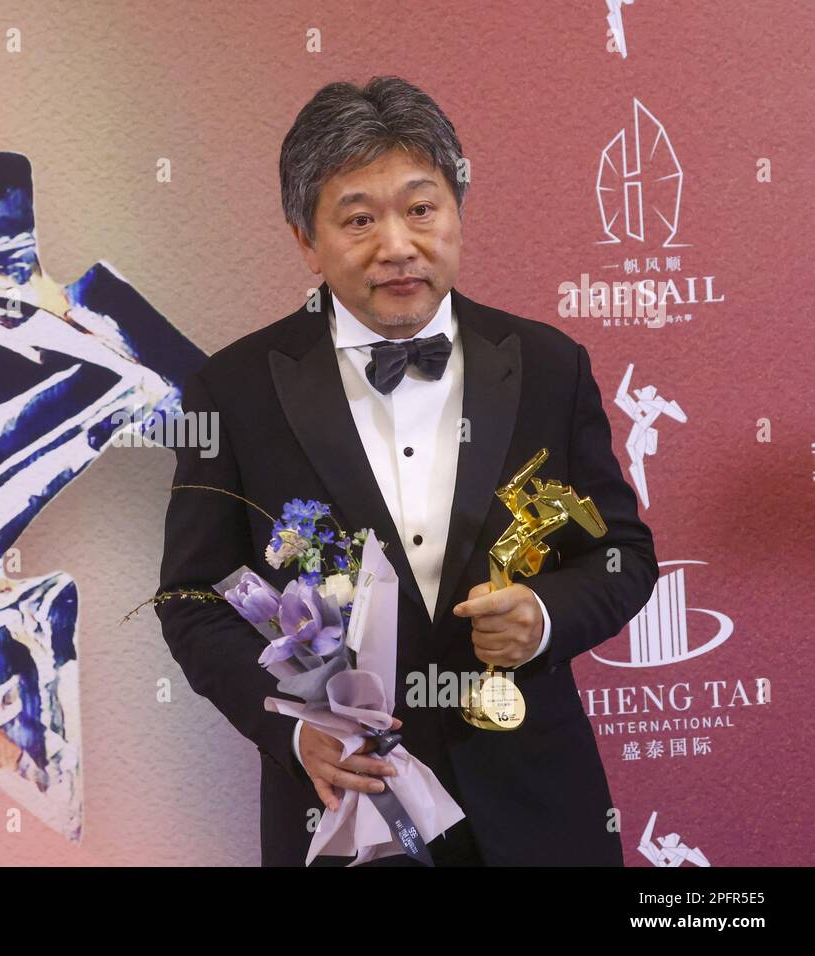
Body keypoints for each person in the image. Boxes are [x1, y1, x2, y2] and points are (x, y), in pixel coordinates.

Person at [154, 76, 658, 866]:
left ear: (457, 210)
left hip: (537, 806)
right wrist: (292, 731)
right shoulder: (235, 390)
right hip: (346, 807)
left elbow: (622, 554)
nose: (397, 245)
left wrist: (545, 616)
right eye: (359, 218)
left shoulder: (548, 364)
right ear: (305, 239)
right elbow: (191, 597)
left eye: (422, 208)